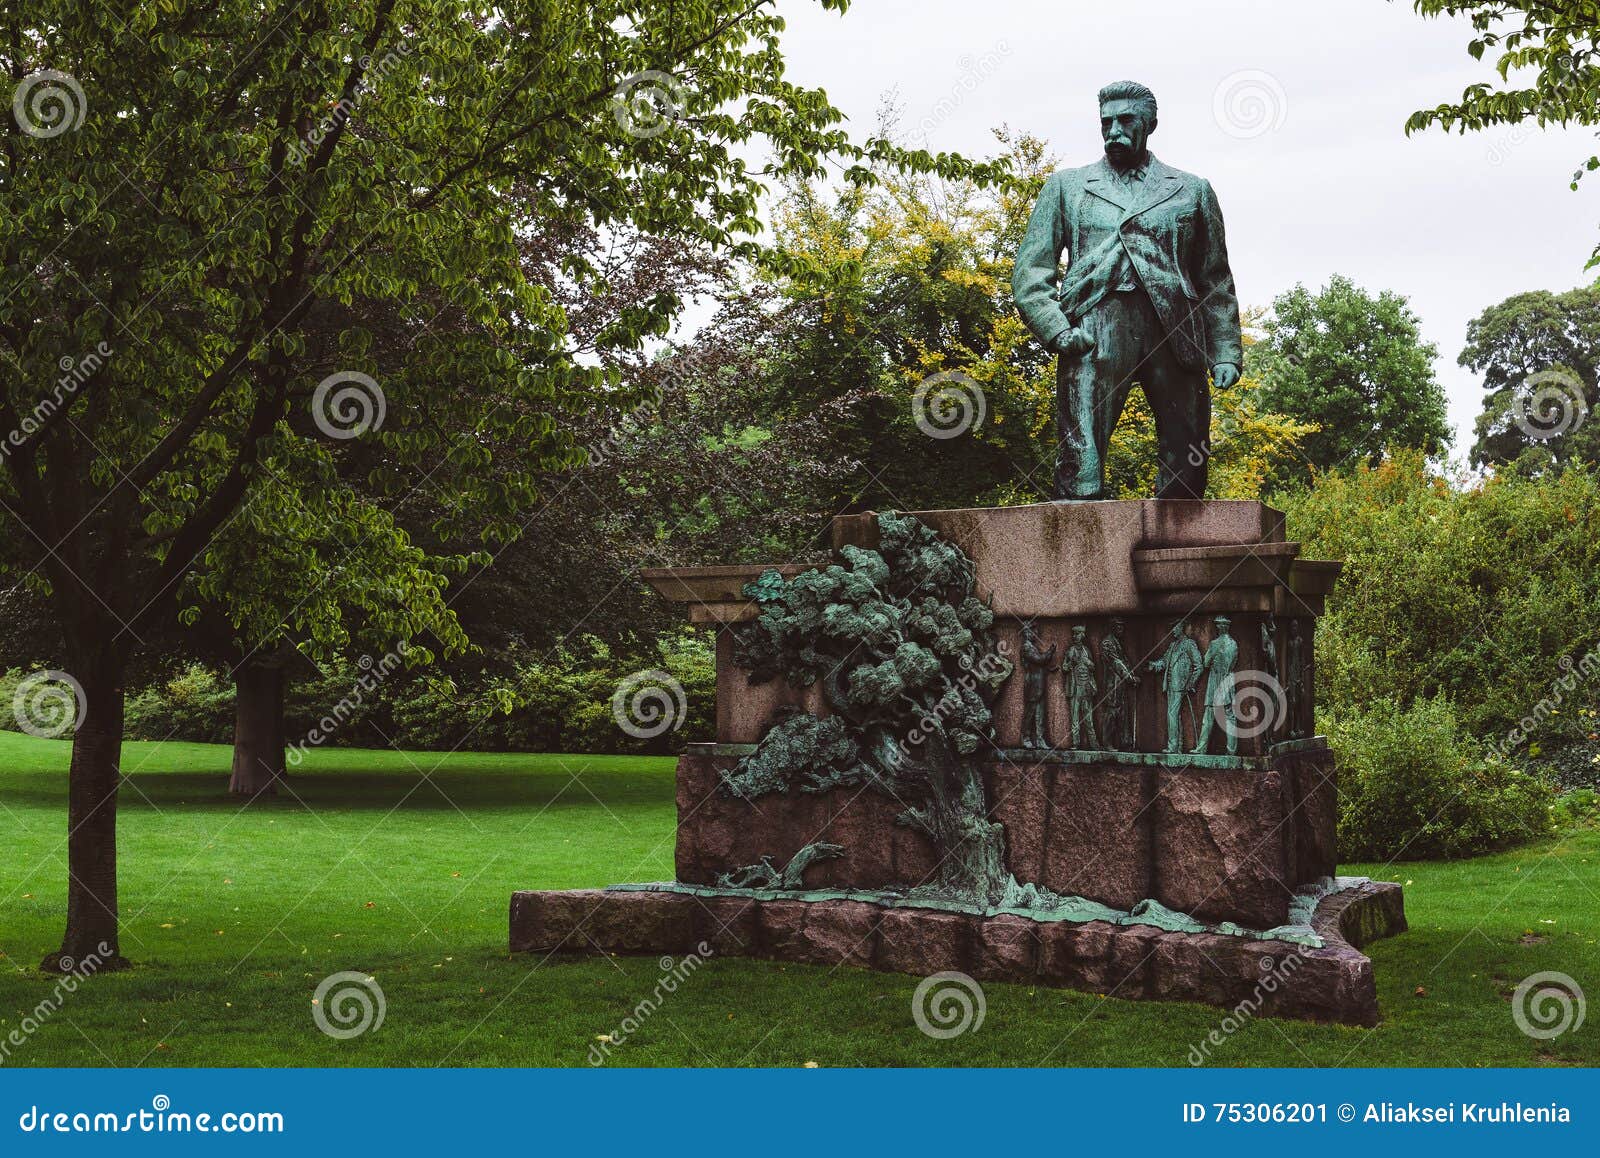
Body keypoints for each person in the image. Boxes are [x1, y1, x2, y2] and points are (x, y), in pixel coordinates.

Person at [1012, 80, 1243, 500]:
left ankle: (1179, 546)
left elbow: (1215, 279)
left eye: (1125, 120)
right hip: (1095, 327)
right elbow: (1030, 272)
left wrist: (1225, 349)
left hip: (1176, 331)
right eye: (1106, 122)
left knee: (1187, 470)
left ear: (1150, 124)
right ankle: (1080, 541)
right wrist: (1056, 328)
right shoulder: (1066, 186)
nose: (1114, 130)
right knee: (1079, 467)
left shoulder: (1192, 190)